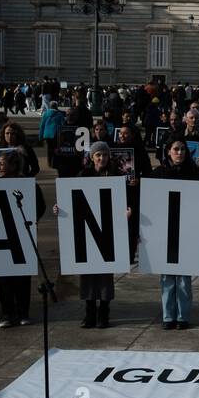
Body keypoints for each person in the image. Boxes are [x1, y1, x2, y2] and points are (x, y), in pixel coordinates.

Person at [54, 141, 127, 329]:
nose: (102, 158)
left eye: (104, 154)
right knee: (87, 274)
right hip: (87, 232)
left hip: (108, 232)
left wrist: (127, 211)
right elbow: (72, 200)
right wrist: (59, 208)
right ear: (92, 157)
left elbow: (125, 200)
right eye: (98, 155)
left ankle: (104, 311)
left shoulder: (116, 176)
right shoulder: (83, 175)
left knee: (104, 274)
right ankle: (89, 312)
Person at [152, 139, 199, 330]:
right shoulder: (158, 175)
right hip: (165, 231)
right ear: (168, 152)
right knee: (167, 277)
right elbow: (149, 206)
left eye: (182, 149)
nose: (179, 153)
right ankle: (168, 316)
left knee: (183, 278)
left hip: (187, 231)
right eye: (176, 149)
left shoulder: (195, 175)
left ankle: (183, 317)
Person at [0, 148, 44, 328]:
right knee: (3, 277)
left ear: (13, 165)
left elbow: (40, 204)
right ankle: (7, 314)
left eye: (2, 163)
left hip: (22, 235)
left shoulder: (27, 184)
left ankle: (23, 313)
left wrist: (33, 218)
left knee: (22, 276)